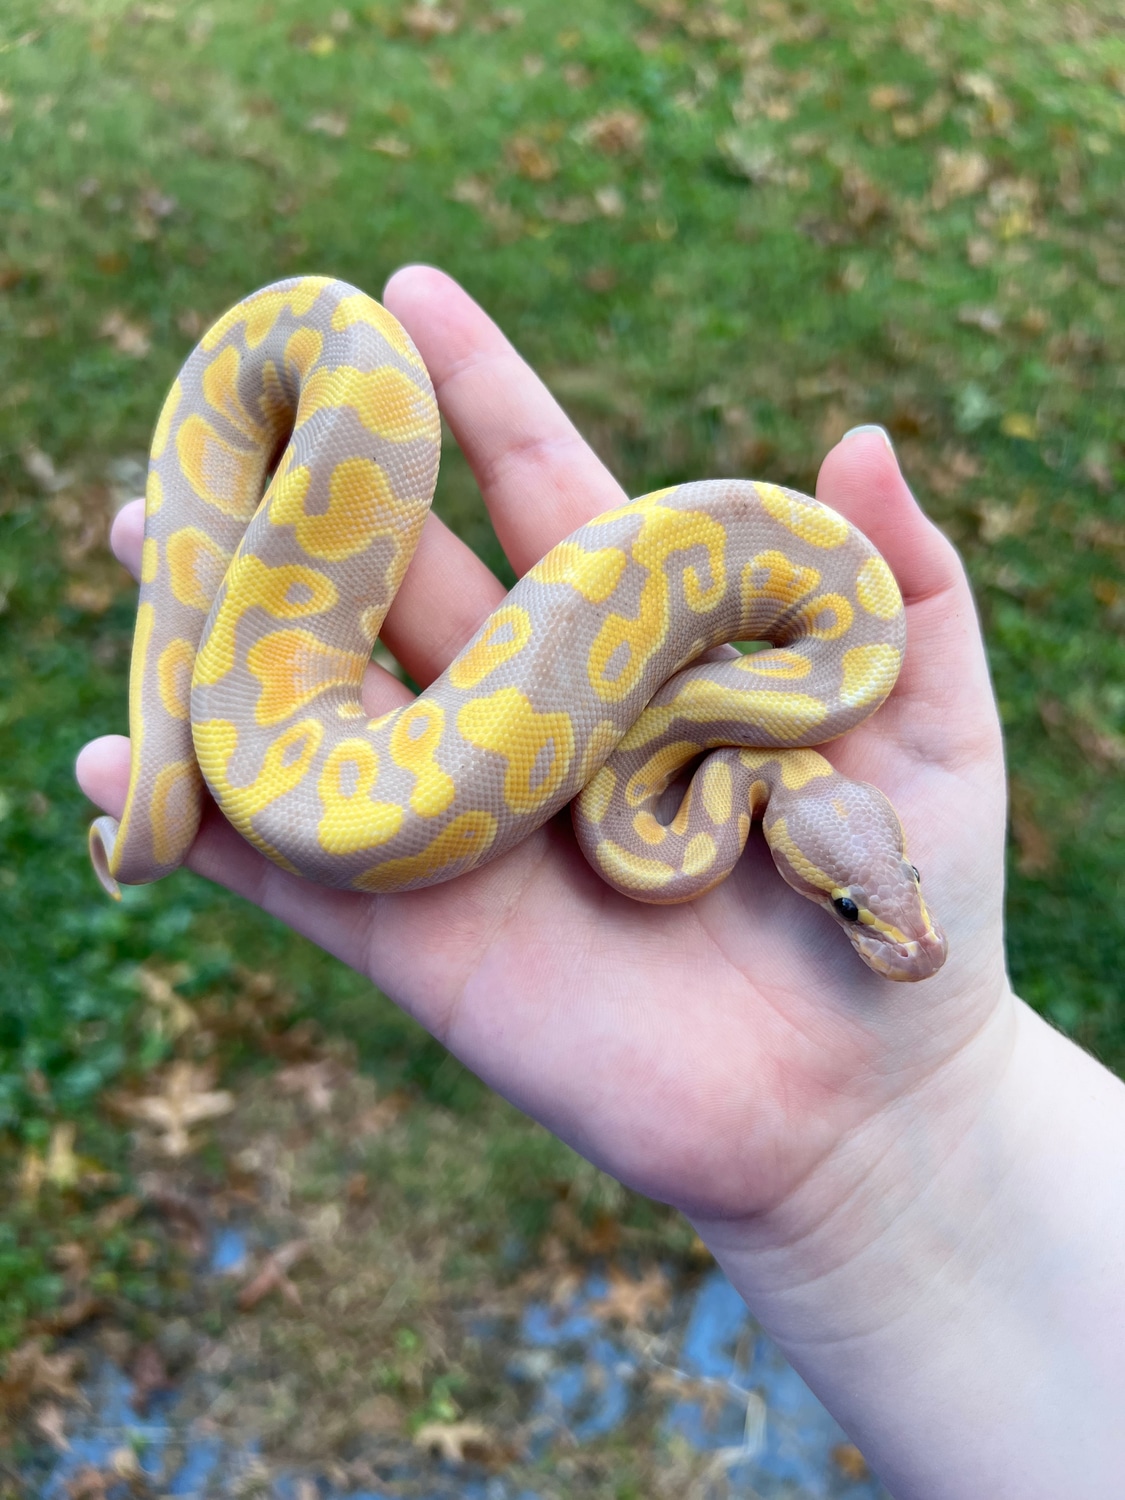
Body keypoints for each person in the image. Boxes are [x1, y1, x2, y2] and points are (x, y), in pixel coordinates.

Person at [76, 266, 1125, 1498]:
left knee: (198, 731)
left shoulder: (710, 797)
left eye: (870, 893)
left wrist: (932, 1105)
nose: (900, 935)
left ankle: (178, 751)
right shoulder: (764, 748)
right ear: (805, 846)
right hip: (314, 509)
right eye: (859, 902)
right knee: (341, 360)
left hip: (340, 740)